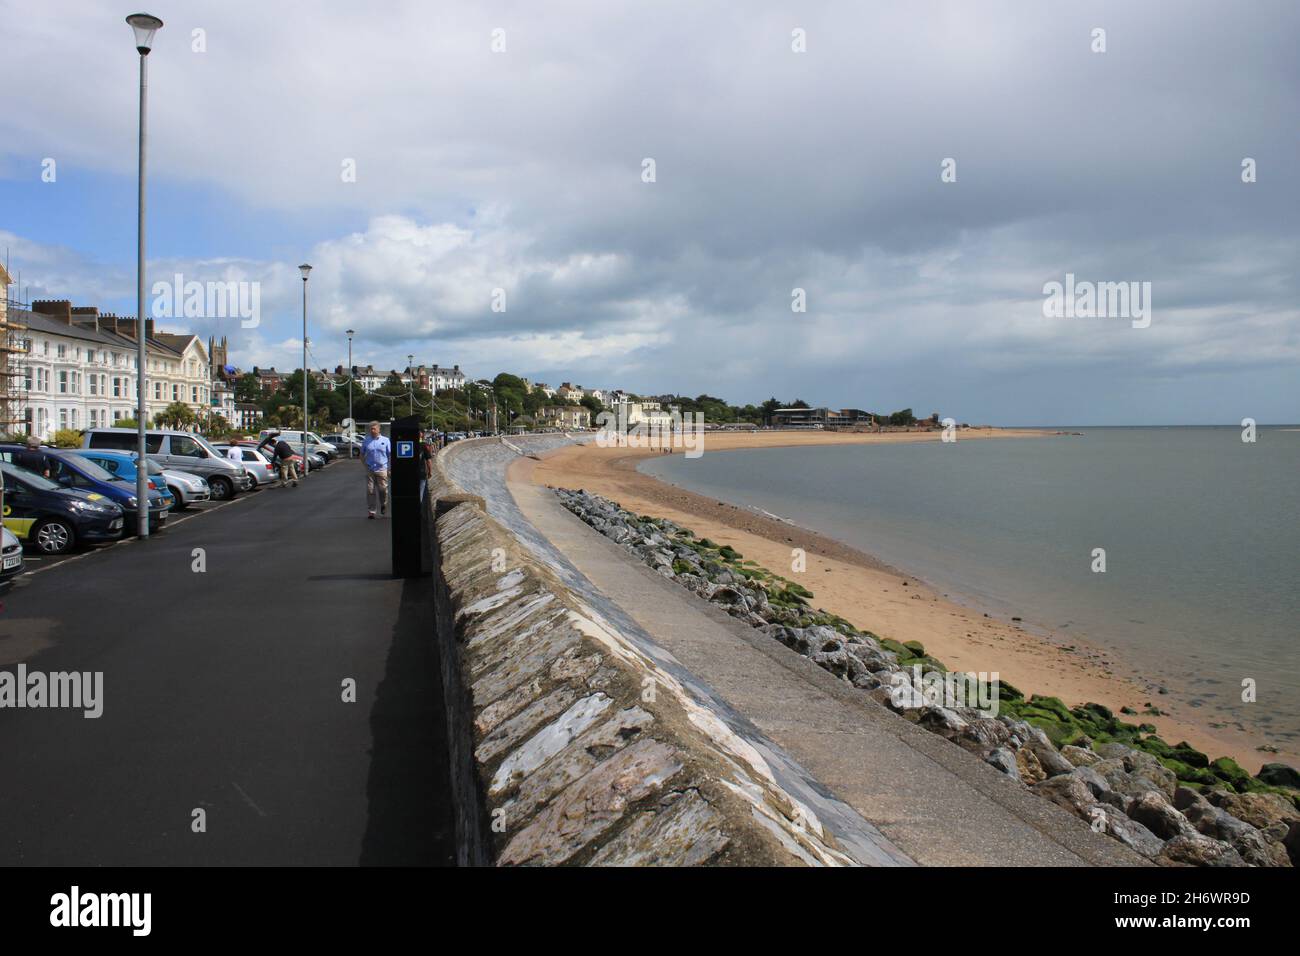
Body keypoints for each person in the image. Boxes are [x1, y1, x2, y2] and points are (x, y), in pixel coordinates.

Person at [361, 421, 391, 519]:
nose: (372, 431)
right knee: (370, 490)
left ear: (378, 429)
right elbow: (361, 454)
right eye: (371, 429)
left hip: (382, 469)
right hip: (370, 469)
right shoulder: (366, 441)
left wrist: (389, 468)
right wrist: (365, 465)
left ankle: (383, 504)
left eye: (374, 429)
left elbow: (390, 455)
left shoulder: (386, 440)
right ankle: (371, 511)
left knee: (383, 490)